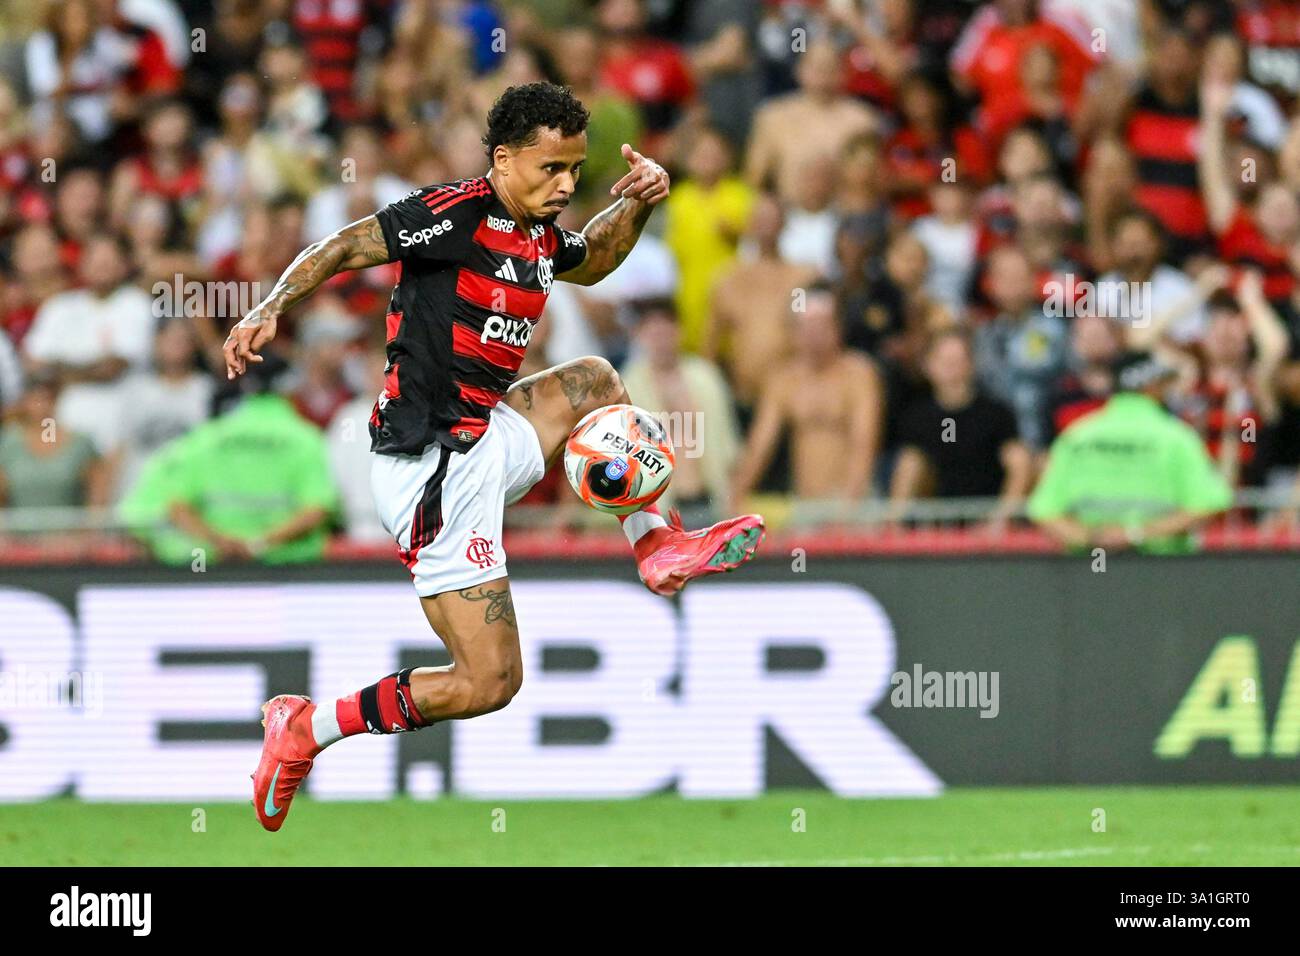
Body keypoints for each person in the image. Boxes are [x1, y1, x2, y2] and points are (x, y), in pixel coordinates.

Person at [220, 82, 764, 831]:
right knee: (489, 682)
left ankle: (655, 542)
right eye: (551, 168)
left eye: (576, 169)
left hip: (487, 432)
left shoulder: (539, 233)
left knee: (596, 381)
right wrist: (268, 306)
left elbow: (597, 259)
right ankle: (305, 730)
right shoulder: (455, 214)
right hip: (432, 468)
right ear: (504, 159)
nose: (567, 184)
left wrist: (636, 200)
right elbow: (345, 244)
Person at [1028, 355, 1233, 554]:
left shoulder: (1077, 436)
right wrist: (1136, 534)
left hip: (1091, 570)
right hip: (1163, 572)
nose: (1166, 390)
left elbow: (1044, 510)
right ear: (1149, 386)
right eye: (1162, 383)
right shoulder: (1176, 437)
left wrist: (1093, 539)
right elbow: (1208, 503)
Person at [890, 330, 1031, 526]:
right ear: (928, 366)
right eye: (945, 361)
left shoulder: (995, 413)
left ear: (971, 364)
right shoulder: (916, 417)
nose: (952, 369)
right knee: (910, 461)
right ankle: (895, 529)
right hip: (933, 519)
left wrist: (999, 519)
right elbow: (910, 469)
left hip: (986, 511)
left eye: (958, 360)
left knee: (1023, 458)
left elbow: (1019, 463)